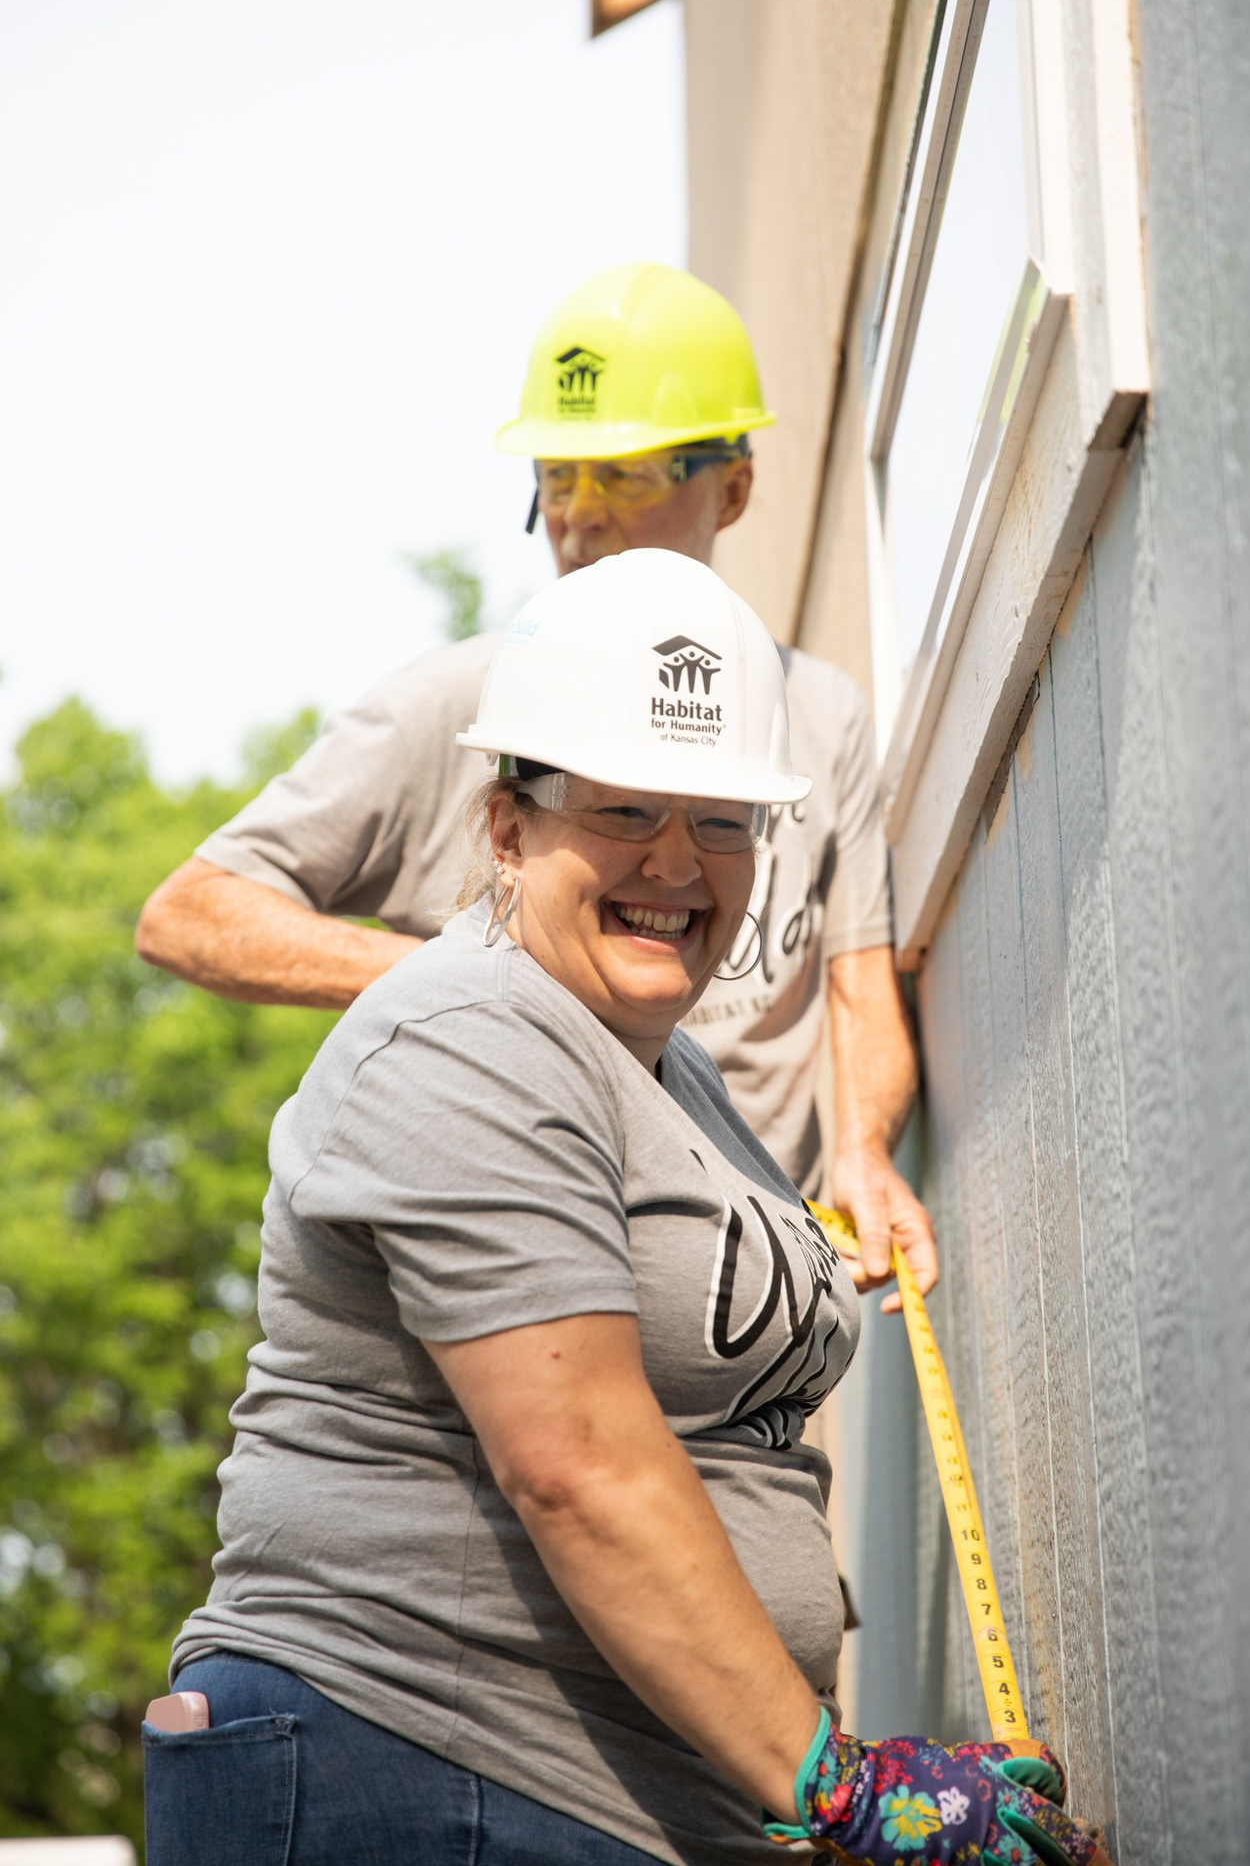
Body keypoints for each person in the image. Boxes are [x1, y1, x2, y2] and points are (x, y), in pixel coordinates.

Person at [145, 553, 1105, 1866]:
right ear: (505, 828)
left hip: (609, 1796)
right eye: (623, 809)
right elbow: (578, 1466)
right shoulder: (468, 1036)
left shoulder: (676, 1077)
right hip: (416, 1762)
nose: (677, 861)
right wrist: (835, 1783)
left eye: (721, 820)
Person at [134, 263, 929, 1303]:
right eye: (559, 476)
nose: (581, 516)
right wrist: (457, 980)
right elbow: (188, 913)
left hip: (735, 1306)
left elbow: (857, 987)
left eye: (627, 474)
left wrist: (865, 1151)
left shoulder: (817, 716)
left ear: (732, 486)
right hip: (517, 1278)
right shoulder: (465, 703)